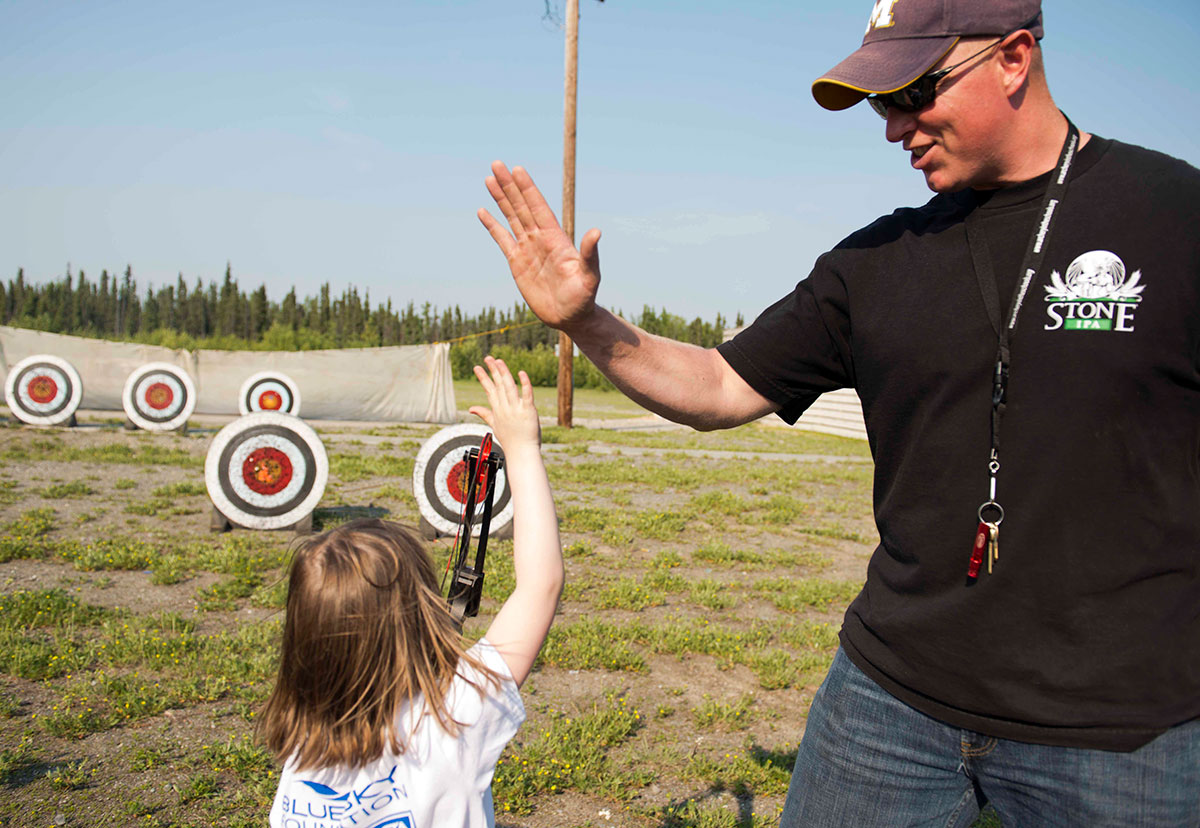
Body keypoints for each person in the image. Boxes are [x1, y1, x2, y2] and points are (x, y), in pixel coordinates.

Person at [478, 0, 1200, 824]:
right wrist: (585, 323)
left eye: (914, 92)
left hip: (1125, 731)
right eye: (880, 103)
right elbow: (719, 384)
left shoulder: (1174, 218)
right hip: (891, 702)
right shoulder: (874, 261)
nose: (894, 127)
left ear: (1013, 58)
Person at [258, 356, 563, 828]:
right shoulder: (454, 714)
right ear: (420, 612)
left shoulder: (301, 747)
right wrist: (523, 449)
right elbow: (541, 585)